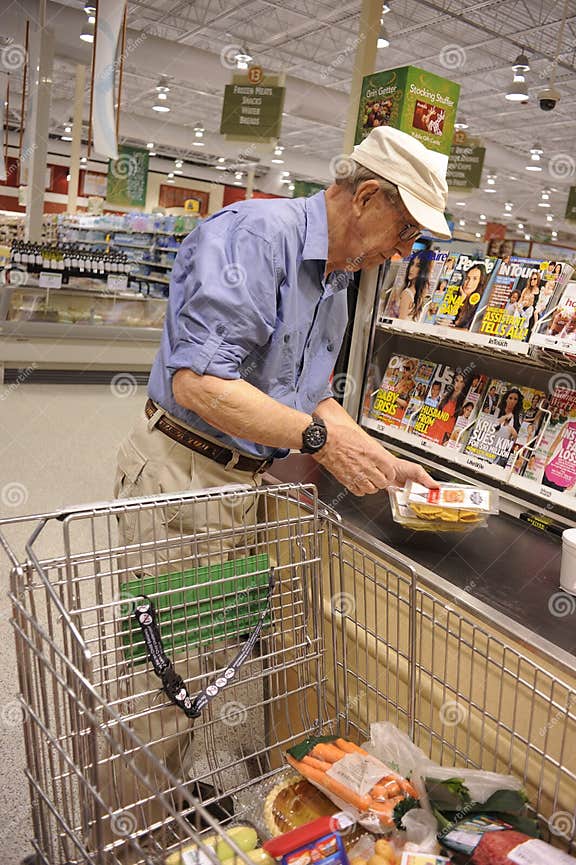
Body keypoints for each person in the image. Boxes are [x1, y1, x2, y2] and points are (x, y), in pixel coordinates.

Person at [111, 126, 449, 826]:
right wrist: (322, 442)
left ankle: (164, 798)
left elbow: (310, 393)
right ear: (365, 197)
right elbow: (201, 383)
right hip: (184, 471)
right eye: (405, 227)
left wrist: (377, 455)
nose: (404, 251)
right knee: (162, 674)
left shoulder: (334, 279)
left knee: (202, 664)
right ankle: (128, 828)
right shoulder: (255, 238)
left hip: (241, 484)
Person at [426, 372, 469, 444]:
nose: (458, 384)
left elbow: (460, 423)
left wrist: (450, 439)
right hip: (434, 427)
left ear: (464, 384)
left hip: (445, 433)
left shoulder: (464, 401)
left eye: (461, 382)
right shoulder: (446, 395)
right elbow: (436, 410)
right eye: (456, 380)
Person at [451, 263, 489, 329]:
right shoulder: (455, 296)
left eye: (475, 279)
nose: (469, 283)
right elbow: (446, 320)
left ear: (480, 282)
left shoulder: (480, 305)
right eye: (467, 278)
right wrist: (461, 299)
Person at [493, 388, 523, 467]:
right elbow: (491, 425)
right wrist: (506, 416)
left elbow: (516, 438)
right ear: (506, 399)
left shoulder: (517, 418)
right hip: (489, 444)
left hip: (502, 452)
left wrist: (512, 431)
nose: (512, 401)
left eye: (515, 399)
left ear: (517, 402)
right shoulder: (497, 411)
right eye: (510, 398)